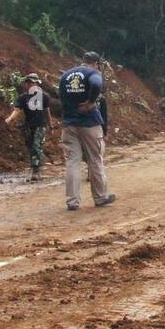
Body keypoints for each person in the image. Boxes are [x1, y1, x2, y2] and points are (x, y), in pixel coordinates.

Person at [58, 52, 116, 211]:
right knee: (95, 161)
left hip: (69, 124)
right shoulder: (93, 73)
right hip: (89, 123)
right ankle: (101, 197)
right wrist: (90, 103)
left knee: (72, 162)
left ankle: (72, 201)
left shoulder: (66, 76)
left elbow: (60, 98)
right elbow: (97, 85)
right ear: (96, 63)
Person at [4, 73, 53, 182]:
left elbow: (47, 111)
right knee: (31, 147)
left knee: (36, 146)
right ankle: (35, 168)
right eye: (29, 83)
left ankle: (36, 171)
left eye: (33, 83)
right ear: (26, 84)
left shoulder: (44, 96)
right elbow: (17, 110)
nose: (31, 85)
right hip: (28, 126)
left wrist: (50, 125)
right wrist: (10, 119)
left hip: (40, 125)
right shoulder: (23, 97)